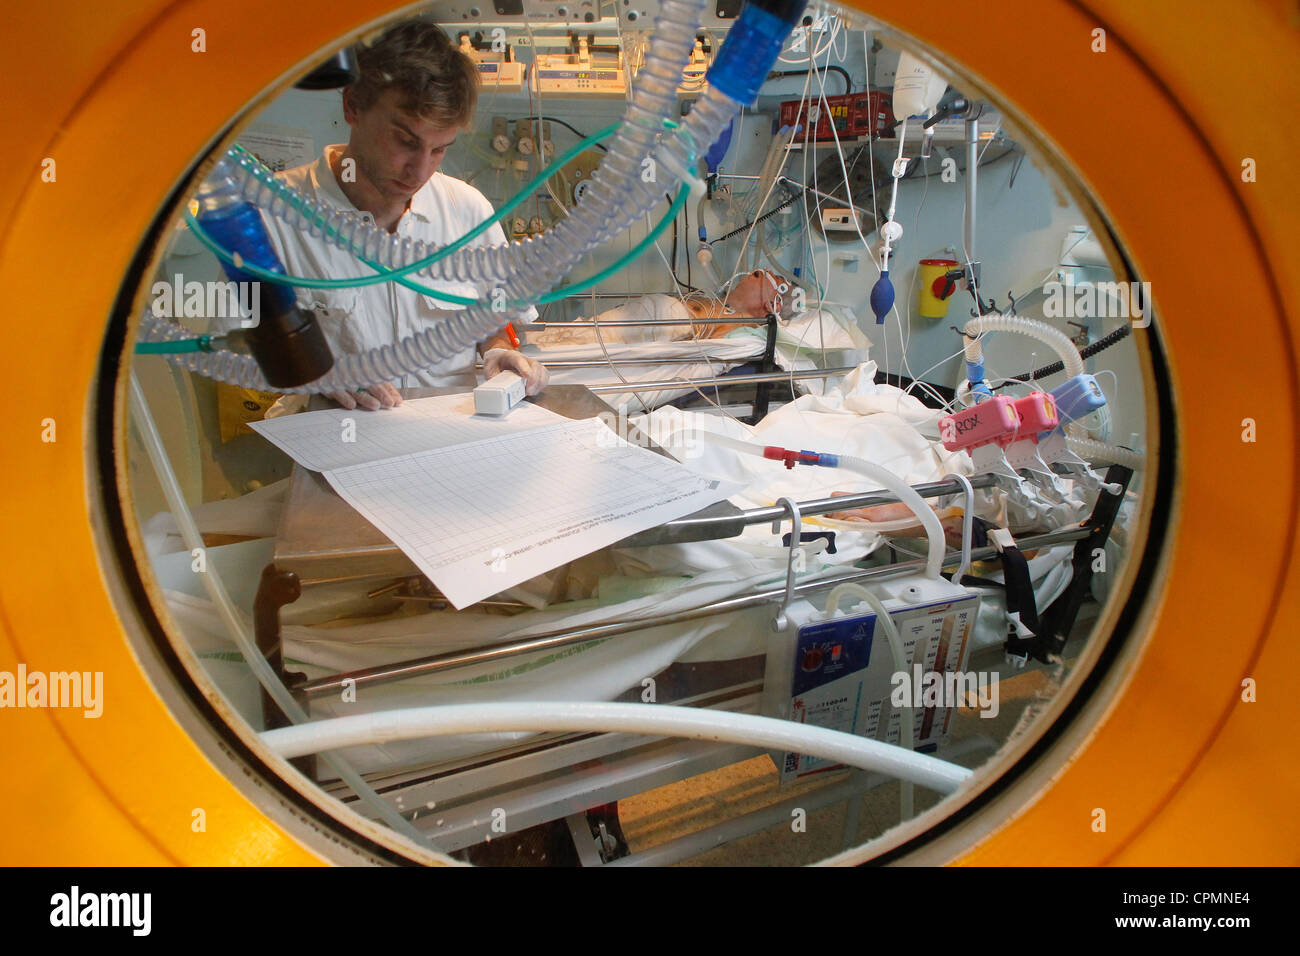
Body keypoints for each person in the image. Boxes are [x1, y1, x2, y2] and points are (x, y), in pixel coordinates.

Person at [260, 19, 548, 412]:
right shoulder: (273, 215)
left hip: (454, 438)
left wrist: (497, 352)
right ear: (352, 105)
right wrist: (316, 371)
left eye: (439, 149)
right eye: (405, 141)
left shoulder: (467, 211)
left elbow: (494, 321)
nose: (420, 171)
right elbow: (232, 345)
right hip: (338, 441)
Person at [530, 270, 795, 347]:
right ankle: (530, 341)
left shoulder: (744, 325)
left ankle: (535, 348)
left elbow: (709, 351)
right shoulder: (721, 304)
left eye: (766, 278)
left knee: (584, 341)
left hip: (664, 321)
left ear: (769, 305)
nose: (756, 272)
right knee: (578, 332)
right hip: (650, 314)